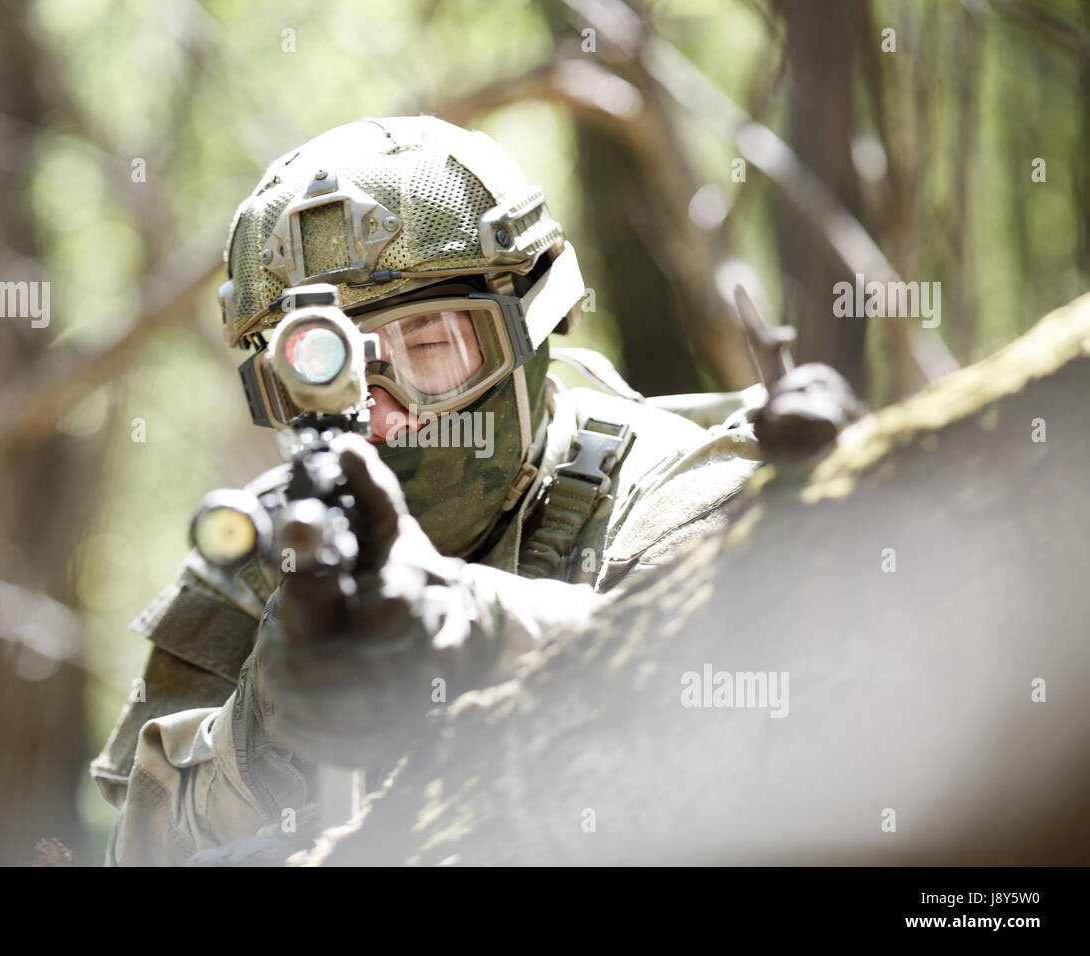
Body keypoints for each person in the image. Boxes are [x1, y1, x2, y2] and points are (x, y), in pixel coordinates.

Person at [90, 116, 790, 865]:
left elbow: (713, 701)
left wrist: (470, 633)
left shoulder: (677, 489)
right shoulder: (258, 557)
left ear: (535, 324)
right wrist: (265, 725)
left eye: (428, 349)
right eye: (324, 369)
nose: (382, 414)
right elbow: (141, 843)